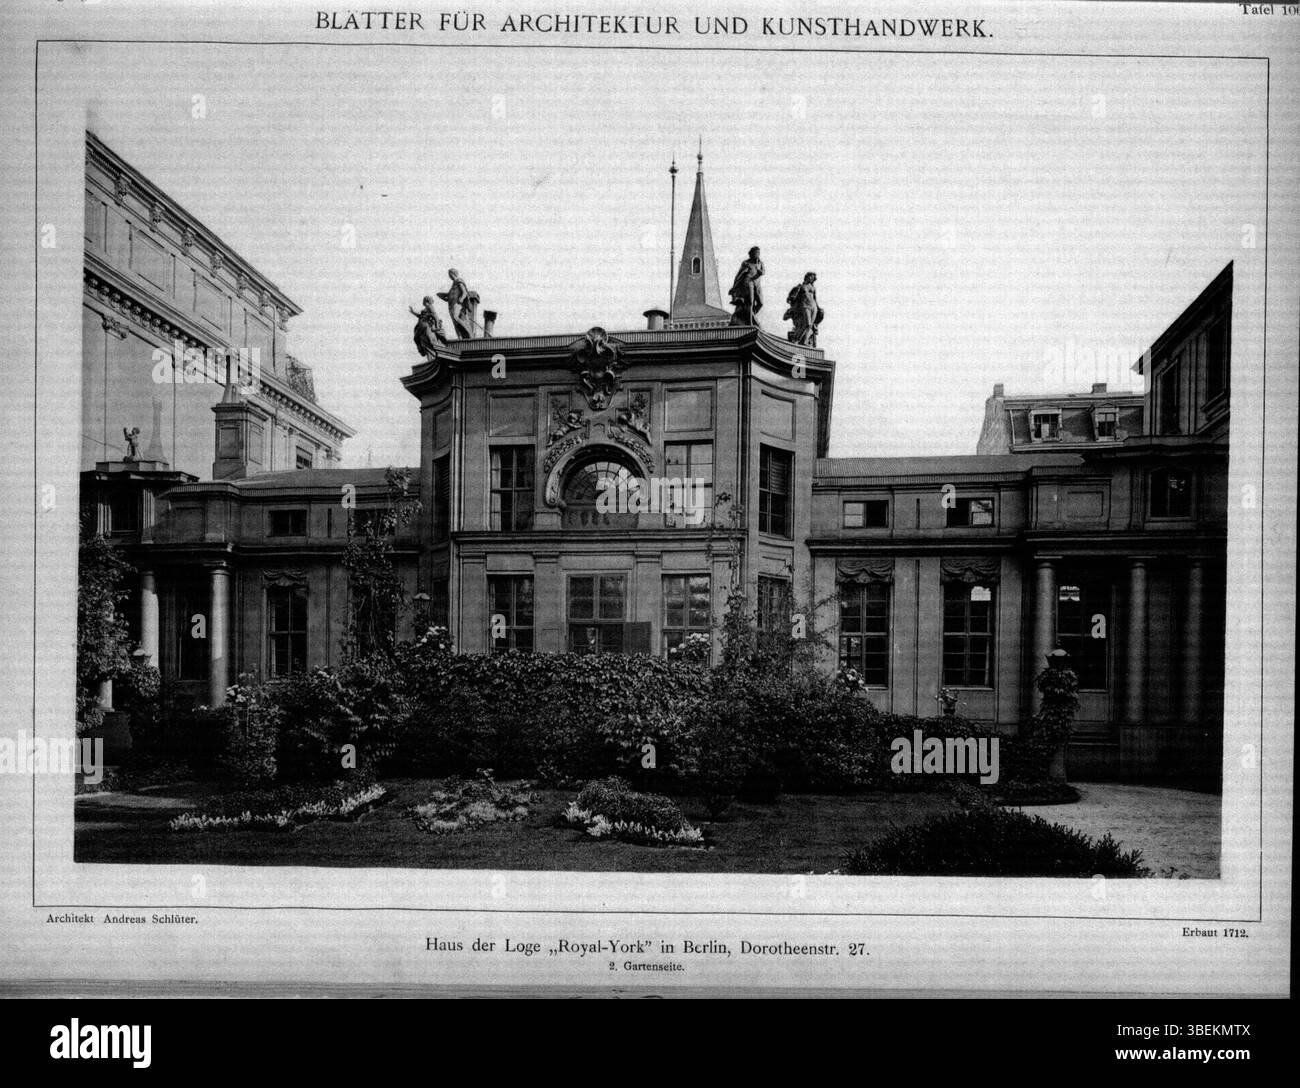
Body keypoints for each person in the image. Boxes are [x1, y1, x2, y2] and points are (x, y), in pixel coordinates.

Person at [437, 268, 481, 339]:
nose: (449, 276)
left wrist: (461, 299)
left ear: (452, 274)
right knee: (454, 322)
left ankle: (467, 331)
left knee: (455, 317)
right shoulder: (453, 284)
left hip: (457, 303)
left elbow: (464, 292)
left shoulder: (459, 281)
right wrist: (441, 295)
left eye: (449, 274)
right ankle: (459, 337)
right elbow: (449, 295)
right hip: (451, 304)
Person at [784, 272, 822, 347]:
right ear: (807, 276)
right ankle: (796, 340)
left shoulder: (813, 287)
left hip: (813, 307)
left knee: (810, 326)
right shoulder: (800, 286)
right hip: (805, 306)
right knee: (808, 324)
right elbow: (792, 297)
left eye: (813, 277)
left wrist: (818, 307)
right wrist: (791, 299)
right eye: (811, 276)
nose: (812, 278)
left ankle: (804, 341)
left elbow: (815, 298)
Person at [729, 247, 764, 326]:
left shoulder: (760, 263)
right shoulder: (746, 263)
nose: (757, 254)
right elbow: (739, 275)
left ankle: (750, 314)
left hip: (757, 285)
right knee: (750, 302)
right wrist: (735, 286)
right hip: (748, 283)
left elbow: (763, 272)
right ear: (751, 254)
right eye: (755, 253)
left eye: (758, 253)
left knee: (760, 303)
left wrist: (759, 271)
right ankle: (750, 322)